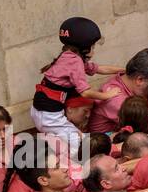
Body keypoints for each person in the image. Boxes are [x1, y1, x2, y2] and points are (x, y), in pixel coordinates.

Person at [31, 18, 122, 152]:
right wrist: (107, 95)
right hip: (49, 116)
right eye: (93, 46)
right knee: (78, 145)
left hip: (41, 112)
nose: (94, 50)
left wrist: (123, 69)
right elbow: (85, 92)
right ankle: (80, 169)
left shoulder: (69, 57)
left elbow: (99, 68)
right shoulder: (75, 62)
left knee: (76, 138)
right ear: (84, 47)